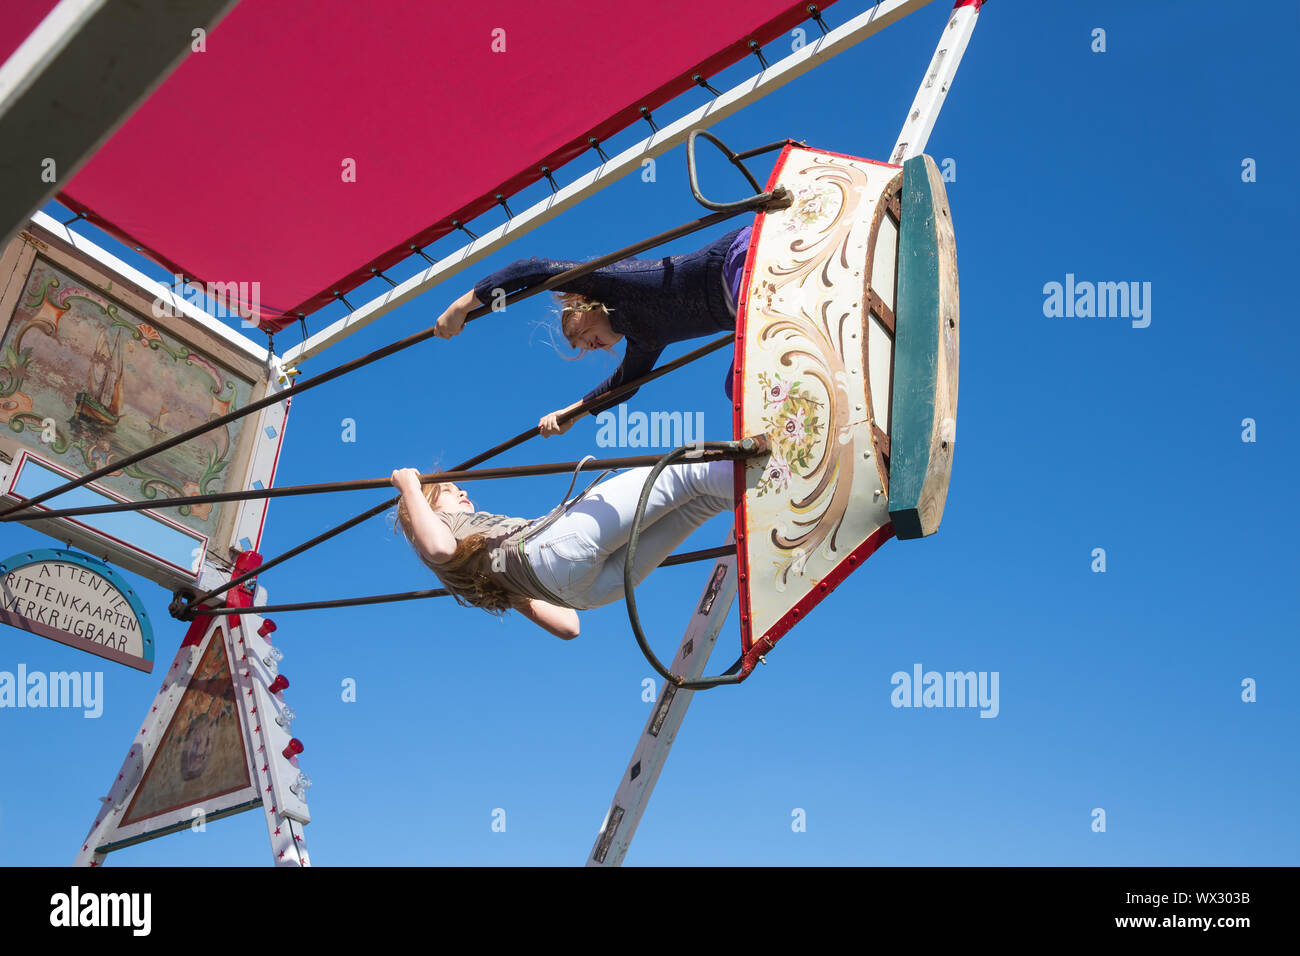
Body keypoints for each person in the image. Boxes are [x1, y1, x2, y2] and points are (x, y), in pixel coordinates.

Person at [432, 224, 753, 436]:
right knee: (738, 389)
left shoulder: (612, 283)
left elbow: (531, 270)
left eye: (578, 335)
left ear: (586, 305)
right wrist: (573, 413)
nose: (587, 345)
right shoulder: (646, 339)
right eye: (580, 346)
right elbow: (624, 385)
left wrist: (462, 306)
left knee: (753, 356)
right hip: (744, 310)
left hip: (740, 261)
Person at [391, 458, 735, 639]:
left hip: (588, 594)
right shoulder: (444, 531)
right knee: (683, 474)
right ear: (427, 508)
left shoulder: (485, 572)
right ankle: (777, 474)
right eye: (450, 490)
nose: (462, 491)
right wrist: (409, 486)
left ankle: (767, 497)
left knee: (699, 502)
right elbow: (436, 546)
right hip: (553, 552)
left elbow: (569, 627)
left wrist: (516, 594)